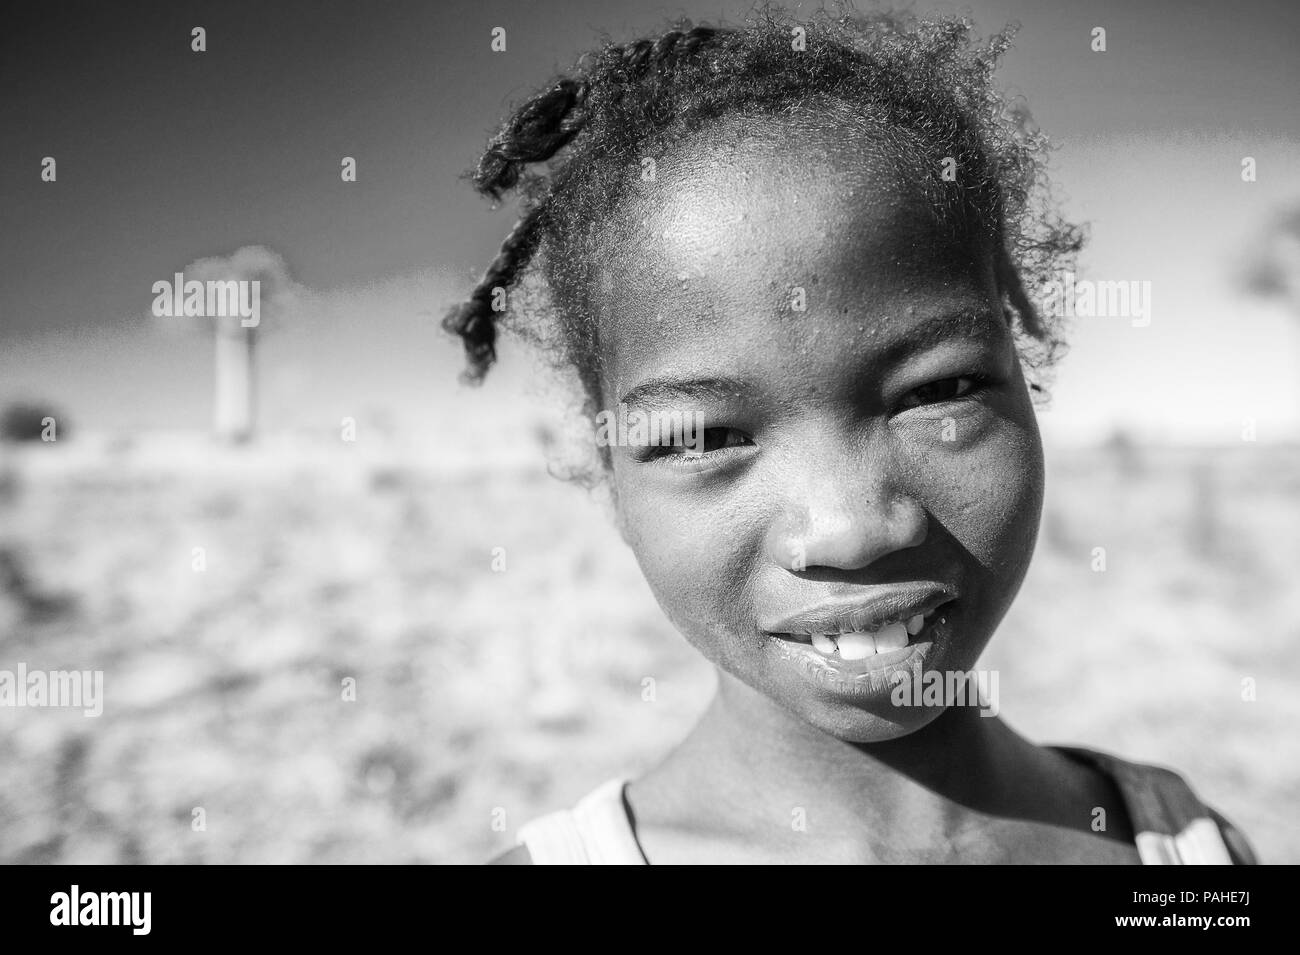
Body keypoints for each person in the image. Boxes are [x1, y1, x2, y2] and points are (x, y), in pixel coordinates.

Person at [444, 8, 1256, 865]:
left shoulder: (1182, 855)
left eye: (937, 390)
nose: (851, 526)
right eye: (703, 435)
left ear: (1023, 358)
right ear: (607, 468)